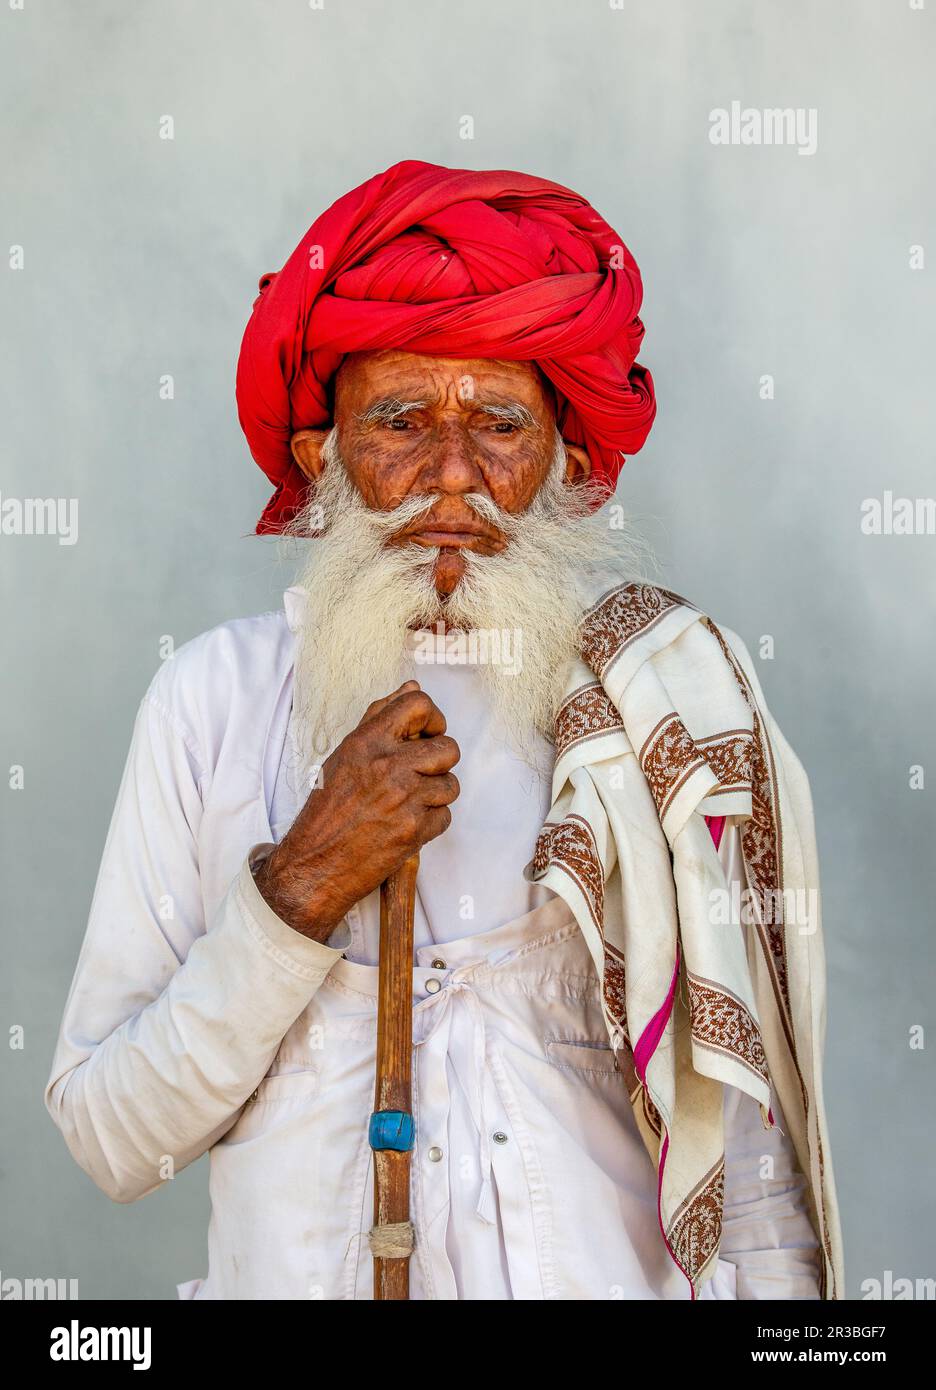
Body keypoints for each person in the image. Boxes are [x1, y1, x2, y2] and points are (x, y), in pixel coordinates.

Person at [45, 160, 843, 1301]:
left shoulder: (666, 697)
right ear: (325, 456)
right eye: (403, 421)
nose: (453, 475)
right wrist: (302, 886)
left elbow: (752, 1172)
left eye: (501, 423)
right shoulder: (212, 701)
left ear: (565, 459)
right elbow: (116, 1139)